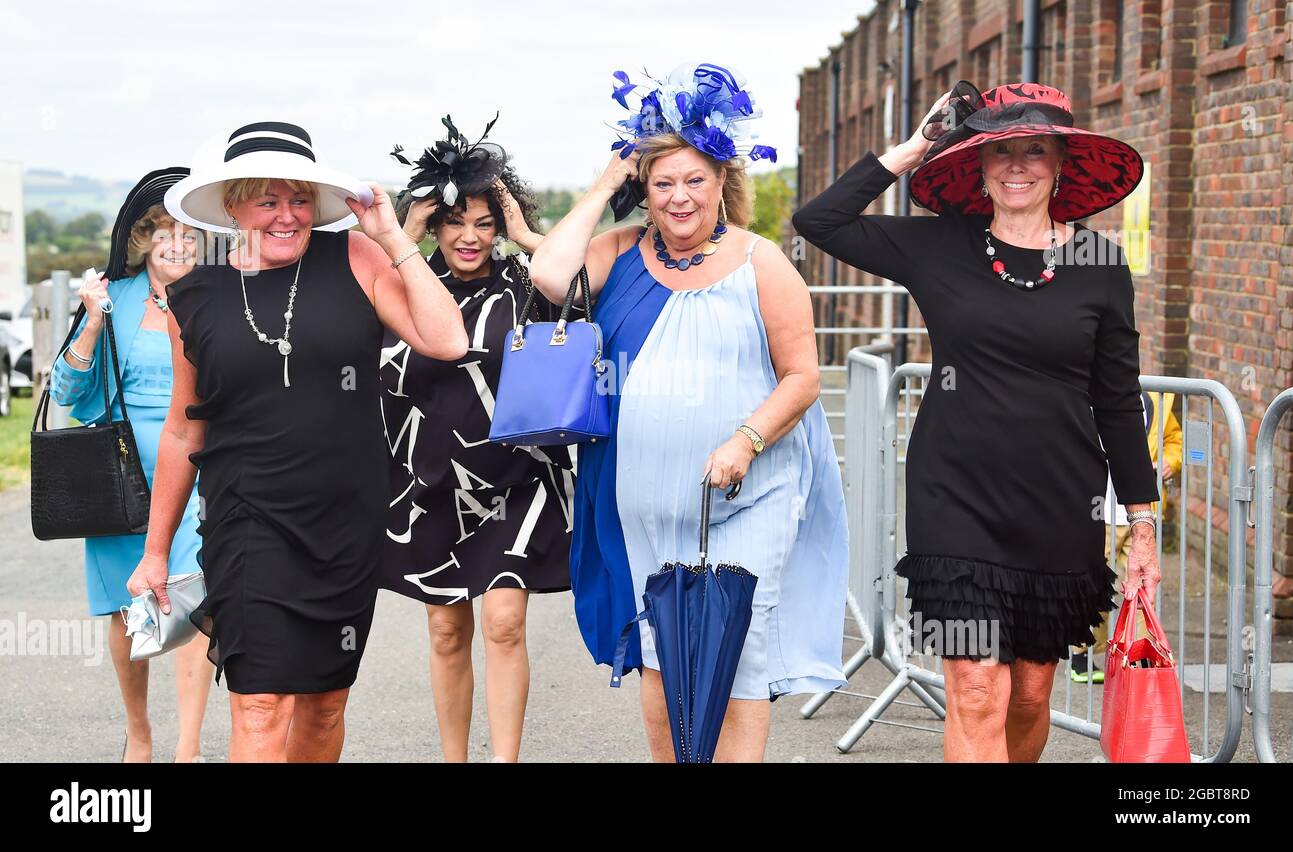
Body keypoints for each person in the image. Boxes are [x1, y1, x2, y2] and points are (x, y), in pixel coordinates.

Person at [792, 80, 1162, 762]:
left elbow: (1116, 397)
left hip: (1058, 507)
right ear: (978, 167)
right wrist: (915, 145)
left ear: (1059, 164)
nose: (1018, 165)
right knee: (976, 691)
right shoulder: (940, 246)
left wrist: (1141, 522)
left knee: (1027, 697)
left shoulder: (1100, 265)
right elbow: (821, 222)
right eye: (1002, 151)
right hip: (956, 503)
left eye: (1035, 149)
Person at [529, 63, 849, 763]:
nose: (678, 197)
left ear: (722, 183)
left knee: (739, 648)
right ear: (644, 189)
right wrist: (607, 181)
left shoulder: (763, 264)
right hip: (642, 507)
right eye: (662, 182)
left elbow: (801, 378)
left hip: (748, 492)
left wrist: (745, 438)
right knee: (661, 657)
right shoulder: (619, 254)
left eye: (694, 180)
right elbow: (549, 275)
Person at [128, 121, 468, 763]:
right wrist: (154, 551)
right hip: (247, 521)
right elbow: (182, 427)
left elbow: (446, 340)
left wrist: (392, 236)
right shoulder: (192, 295)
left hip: (345, 525)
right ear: (232, 204)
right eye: (268, 200)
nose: (288, 215)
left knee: (323, 707)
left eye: (300, 199)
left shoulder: (356, 259)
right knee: (259, 707)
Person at [382, 117, 573, 762]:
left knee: (504, 621)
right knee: (444, 628)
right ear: (433, 223)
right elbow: (356, 336)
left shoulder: (526, 287)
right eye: (454, 220)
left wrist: (524, 237)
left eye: (485, 222)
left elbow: (581, 286)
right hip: (427, 479)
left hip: (517, 479)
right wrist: (400, 235)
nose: (469, 236)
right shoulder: (399, 287)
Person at [51, 168, 214, 762]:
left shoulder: (215, 297)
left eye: (189, 235)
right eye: (164, 232)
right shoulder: (113, 298)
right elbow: (68, 391)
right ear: (144, 239)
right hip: (117, 482)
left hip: (199, 474)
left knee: (194, 600)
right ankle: (139, 733)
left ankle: (189, 748)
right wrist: (92, 319)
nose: (177, 244)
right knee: (128, 610)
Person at [1071, 391, 1183, 683]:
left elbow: (1173, 440)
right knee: (1096, 586)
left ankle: (1142, 655)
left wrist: (1172, 460)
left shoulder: (1156, 401)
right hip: (1098, 512)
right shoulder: (1082, 395)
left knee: (1144, 587)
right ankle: (1082, 655)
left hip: (1138, 516)